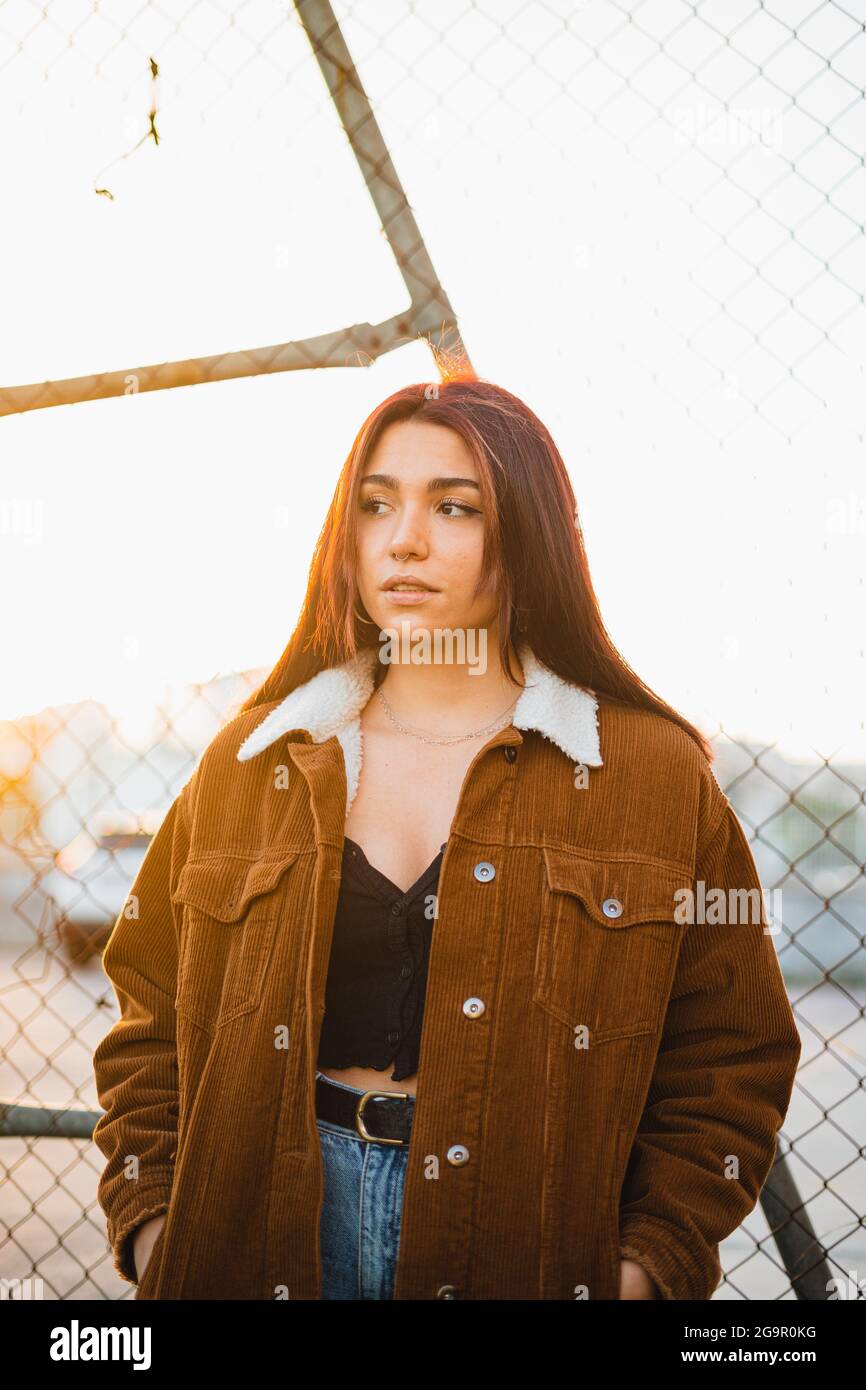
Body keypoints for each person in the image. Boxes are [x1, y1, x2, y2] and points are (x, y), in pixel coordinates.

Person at [92, 376, 801, 1301]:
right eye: (375, 504)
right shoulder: (254, 758)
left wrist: (641, 1269)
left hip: (523, 1251)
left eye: (454, 506)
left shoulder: (651, 775)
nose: (404, 540)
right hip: (258, 1248)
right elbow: (148, 1020)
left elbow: (732, 1058)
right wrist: (154, 1233)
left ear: (531, 535)